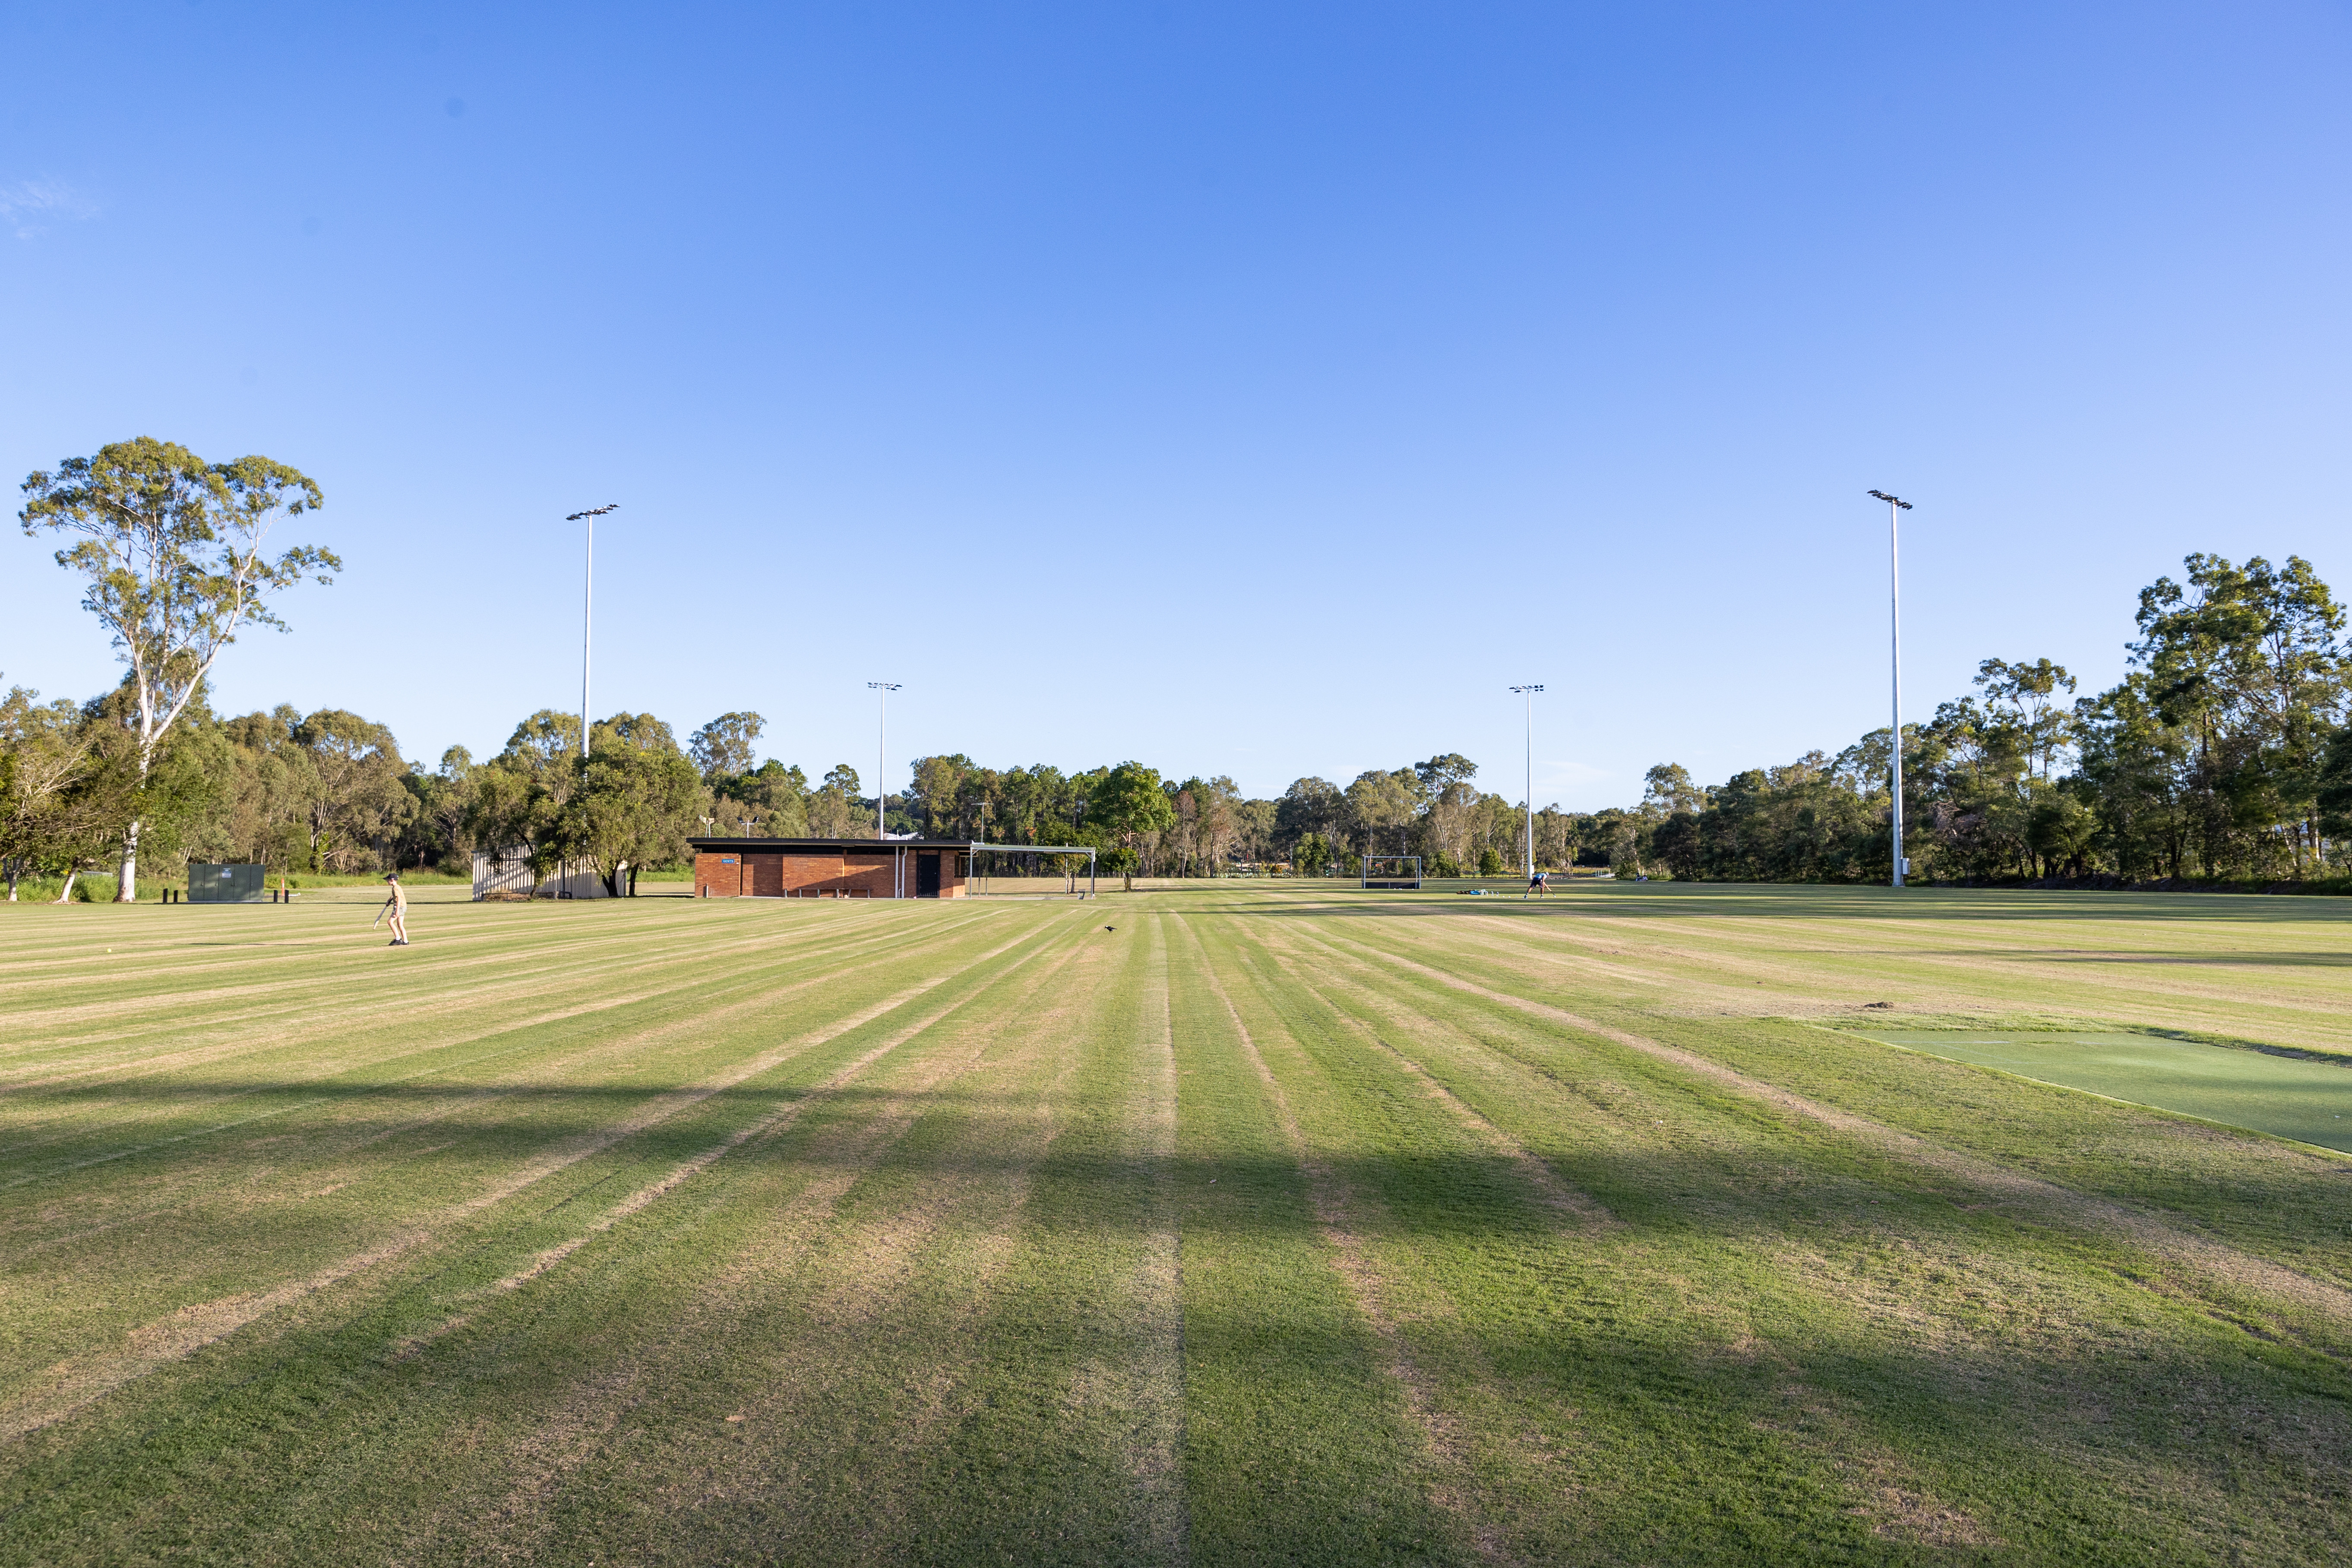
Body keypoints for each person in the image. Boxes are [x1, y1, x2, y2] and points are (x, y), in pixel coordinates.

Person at [381, 872, 411, 946]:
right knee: (400, 925)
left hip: (400, 907)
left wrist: (397, 911)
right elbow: (394, 896)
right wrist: (389, 901)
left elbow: (399, 899)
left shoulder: (395, 888)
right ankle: (406, 941)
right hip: (403, 907)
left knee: (390, 922)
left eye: (388, 880)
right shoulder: (397, 887)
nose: (387, 881)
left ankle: (398, 939)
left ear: (392, 880)